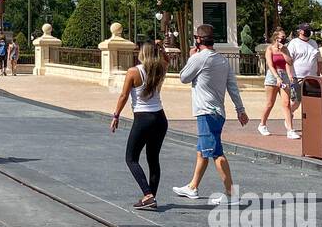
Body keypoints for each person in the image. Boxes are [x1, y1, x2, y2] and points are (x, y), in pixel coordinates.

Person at [172, 24, 249, 201]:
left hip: (206, 112)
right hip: (218, 112)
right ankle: (192, 187)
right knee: (202, 150)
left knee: (216, 153)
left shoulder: (200, 58)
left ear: (198, 40)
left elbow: (183, 77)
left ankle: (231, 194)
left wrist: (192, 57)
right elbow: (232, 87)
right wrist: (240, 109)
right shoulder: (223, 60)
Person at [111, 42, 169, 211]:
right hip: (160, 119)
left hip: (143, 119)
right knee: (153, 159)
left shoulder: (133, 72)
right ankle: (152, 198)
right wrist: (161, 48)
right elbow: (167, 60)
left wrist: (116, 115)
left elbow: (123, 95)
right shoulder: (160, 69)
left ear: (143, 53)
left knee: (131, 158)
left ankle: (148, 195)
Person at [257, 28, 299, 139]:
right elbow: (270, 65)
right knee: (270, 103)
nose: (284, 39)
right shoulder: (270, 49)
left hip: (284, 75)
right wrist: (277, 78)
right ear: (276, 38)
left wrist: (283, 52)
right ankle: (262, 125)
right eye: (282, 37)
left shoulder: (285, 49)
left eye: (285, 37)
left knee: (286, 103)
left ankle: (290, 130)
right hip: (272, 76)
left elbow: (289, 62)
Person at [286, 22, 322, 125]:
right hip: (298, 77)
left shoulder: (314, 43)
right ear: (300, 31)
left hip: (312, 77)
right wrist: (290, 75)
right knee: (296, 101)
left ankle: (311, 122)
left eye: (309, 30)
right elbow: (288, 61)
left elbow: (319, 60)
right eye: (305, 30)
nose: (308, 32)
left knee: (313, 101)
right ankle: (289, 115)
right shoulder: (294, 43)